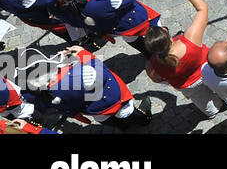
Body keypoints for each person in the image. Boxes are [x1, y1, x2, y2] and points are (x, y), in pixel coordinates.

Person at [15, 45, 151, 128]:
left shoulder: (37, 95)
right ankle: (143, 119)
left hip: (94, 111)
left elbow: (56, 107)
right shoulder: (76, 74)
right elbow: (100, 71)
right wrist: (82, 53)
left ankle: (122, 126)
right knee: (126, 111)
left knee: (106, 119)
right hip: (111, 98)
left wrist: (77, 116)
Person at [142, 0, 221, 118]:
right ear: (170, 38)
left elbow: (158, 79)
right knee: (223, 85)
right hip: (208, 69)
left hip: (188, 85)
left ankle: (213, 111)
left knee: (203, 102)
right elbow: (203, 8)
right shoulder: (190, 40)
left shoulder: (152, 67)